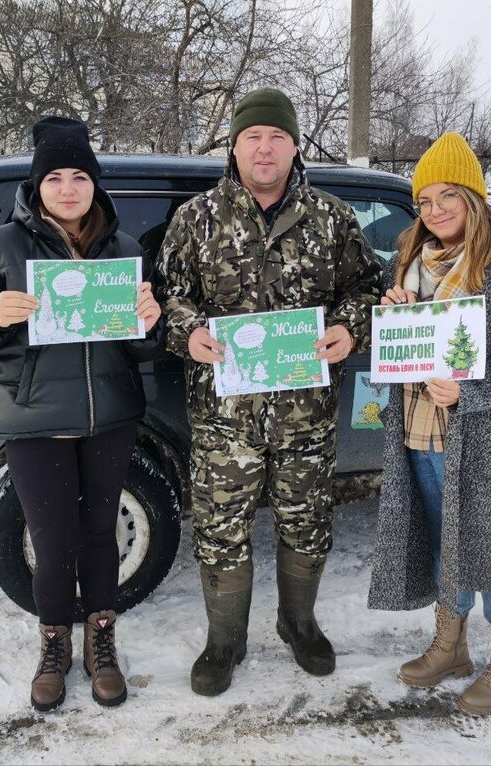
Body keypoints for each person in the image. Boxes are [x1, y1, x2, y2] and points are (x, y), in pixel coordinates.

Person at [157, 88, 382, 696]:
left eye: (277, 137)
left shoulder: (333, 218)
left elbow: (368, 288)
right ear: (235, 144)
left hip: (306, 415)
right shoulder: (197, 219)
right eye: (253, 136)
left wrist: (348, 327)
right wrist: (188, 333)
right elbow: (165, 297)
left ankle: (298, 622)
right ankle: (224, 641)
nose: (265, 147)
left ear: (293, 145)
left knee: (307, 521)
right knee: (220, 526)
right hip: (223, 418)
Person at [0, 116, 163, 712]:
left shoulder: (124, 251)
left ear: (95, 184)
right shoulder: (0, 247)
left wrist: (149, 322)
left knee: (98, 535)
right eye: (56, 177)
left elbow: (143, 347)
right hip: (35, 421)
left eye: (80, 177)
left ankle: (102, 641)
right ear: (38, 186)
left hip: (109, 419)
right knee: (52, 539)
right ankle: (54, 645)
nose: (68, 189)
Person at [367, 132, 491, 716]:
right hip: (418, 431)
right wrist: (394, 316)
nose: (435, 211)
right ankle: (449, 647)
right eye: (425, 201)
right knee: (440, 542)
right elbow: (408, 342)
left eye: (447, 196)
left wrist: (473, 389)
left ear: (475, 197)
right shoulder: (412, 256)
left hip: (485, 440)